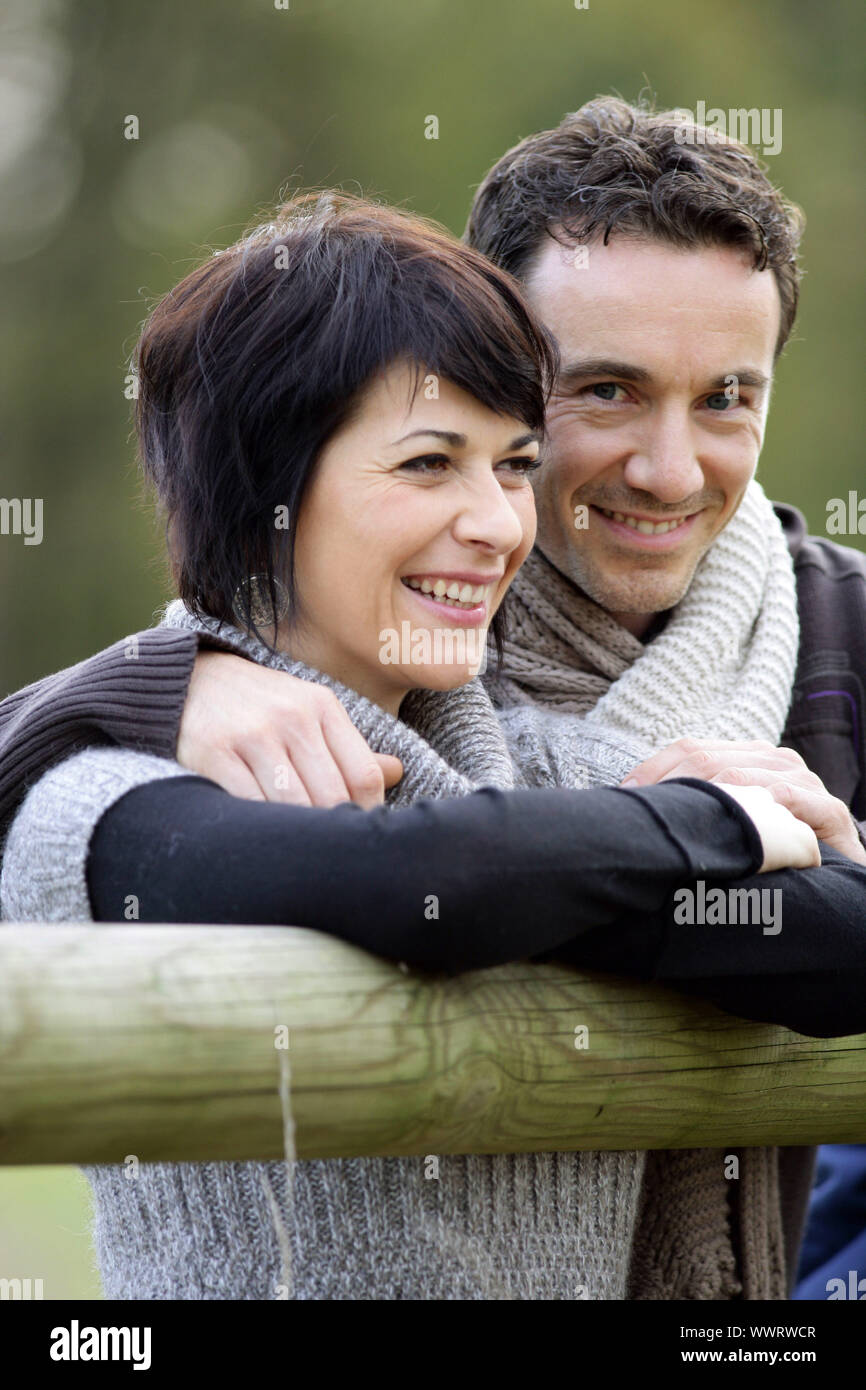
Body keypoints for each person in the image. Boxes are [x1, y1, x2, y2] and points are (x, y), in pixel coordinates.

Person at [2, 99, 865, 1297]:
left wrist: (572, 858)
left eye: (509, 466)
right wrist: (713, 828)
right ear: (266, 492)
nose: (496, 520)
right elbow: (438, 877)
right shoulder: (120, 771)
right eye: (428, 462)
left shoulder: (536, 759)